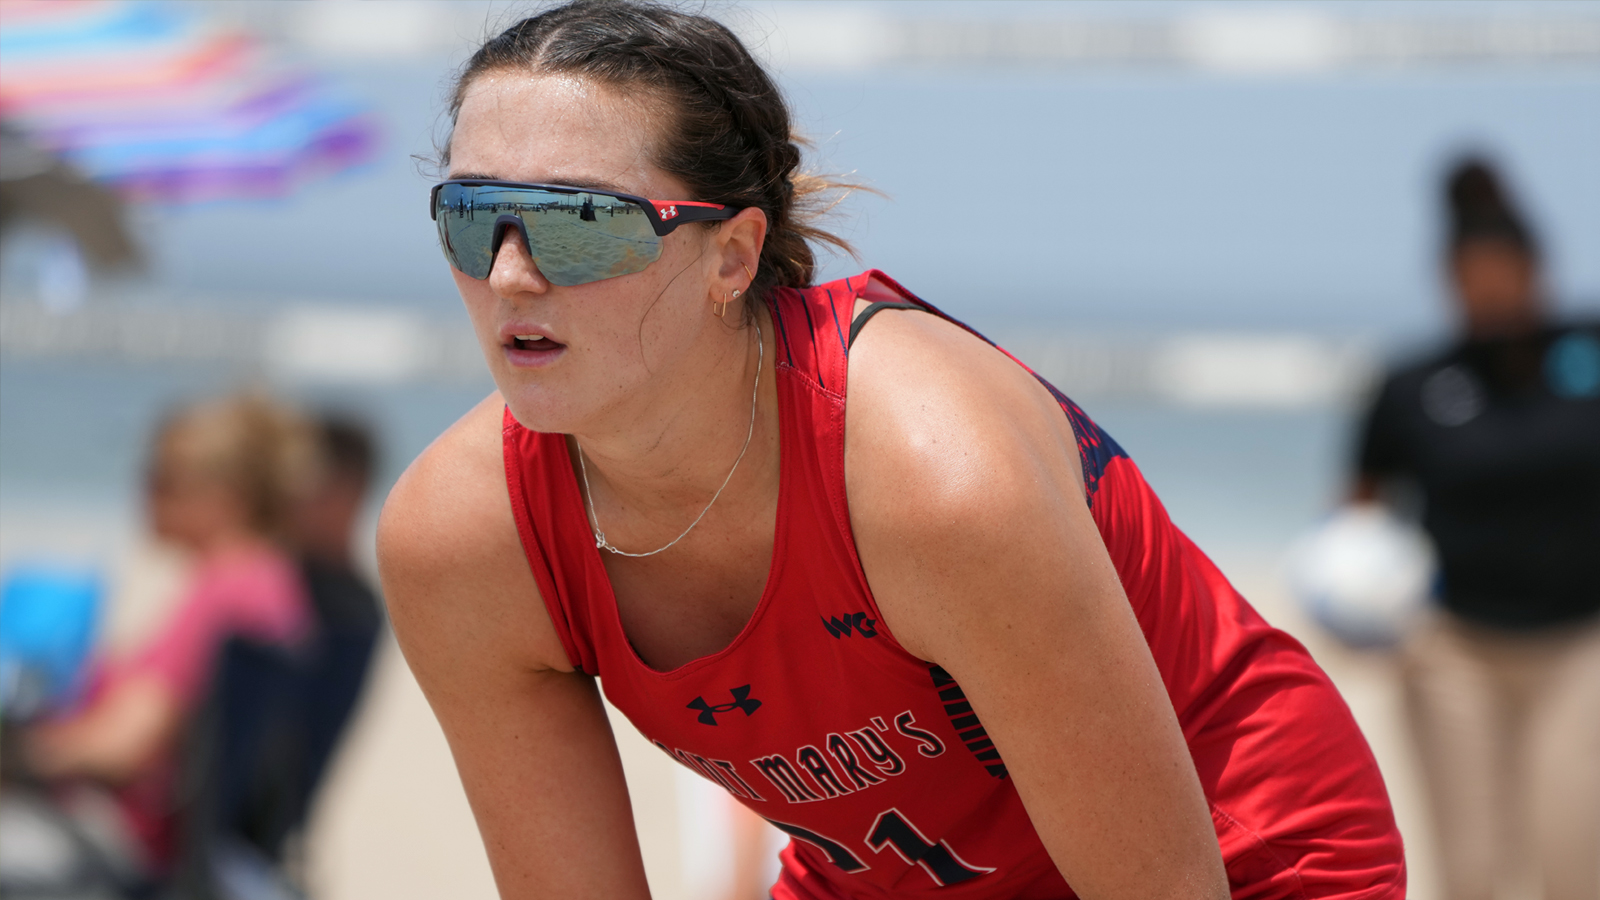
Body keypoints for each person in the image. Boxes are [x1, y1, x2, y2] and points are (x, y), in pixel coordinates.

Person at [379, 4, 1406, 898]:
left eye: (579, 224)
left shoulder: (932, 476)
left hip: (1242, 855)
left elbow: (1168, 889)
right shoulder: (462, 540)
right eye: (471, 219)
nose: (510, 275)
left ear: (730, 255)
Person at [1353, 158, 1600, 900]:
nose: (1489, 289)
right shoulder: (1414, 387)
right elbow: (1356, 518)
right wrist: (1361, 598)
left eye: (1503, 271)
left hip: (1581, 648)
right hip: (1453, 650)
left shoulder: (1588, 352)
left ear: (1535, 269)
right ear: (1449, 280)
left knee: (1576, 862)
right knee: (1472, 873)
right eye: (1470, 274)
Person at [20, 393, 316, 879]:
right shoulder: (271, 583)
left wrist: (24, 753)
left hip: (134, 844)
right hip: (197, 848)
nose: (143, 493)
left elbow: (124, 746)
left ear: (228, 496)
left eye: (162, 481)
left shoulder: (224, 592)